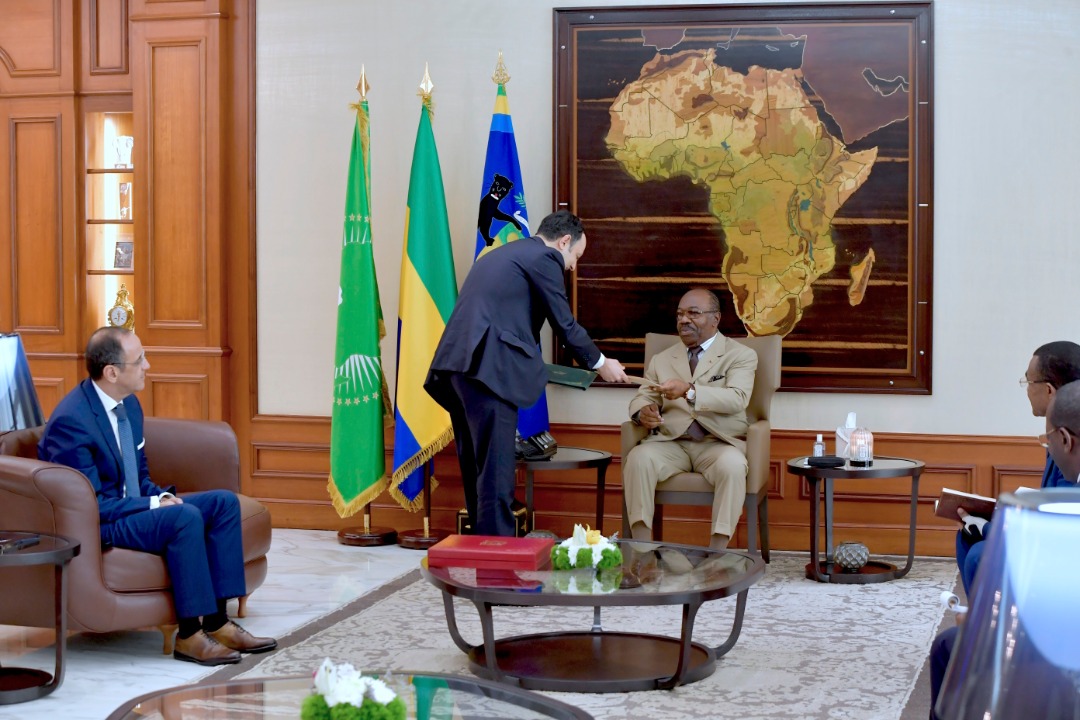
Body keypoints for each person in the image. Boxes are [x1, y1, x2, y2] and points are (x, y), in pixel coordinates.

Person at [39, 327, 276, 666]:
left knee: (223, 503)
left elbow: (139, 476)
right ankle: (189, 636)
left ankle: (218, 623)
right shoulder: (72, 422)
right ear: (112, 372)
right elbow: (90, 506)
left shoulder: (128, 405)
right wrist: (153, 504)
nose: (148, 365)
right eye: (140, 360)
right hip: (102, 523)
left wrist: (158, 496)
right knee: (183, 517)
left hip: (130, 508)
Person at [425, 210, 630, 536]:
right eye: (575, 256)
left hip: (459, 366)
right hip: (488, 370)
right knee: (497, 468)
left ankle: (484, 545)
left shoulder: (505, 254)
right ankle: (498, 554)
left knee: (478, 464)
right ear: (564, 242)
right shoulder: (544, 258)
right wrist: (601, 363)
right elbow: (564, 323)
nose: (573, 266)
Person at [622, 288, 757, 551]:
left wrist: (690, 391)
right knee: (638, 459)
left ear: (715, 319)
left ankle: (717, 553)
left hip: (718, 444)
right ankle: (642, 550)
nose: (684, 320)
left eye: (693, 313)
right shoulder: (663, 359)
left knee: (732, 467)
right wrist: (643, 412)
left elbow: (737, 399)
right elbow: (641, 397)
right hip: (673, 443)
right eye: (680, 315)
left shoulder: (739, 355)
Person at [954, 340, 1080, 595]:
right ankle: (979, 622)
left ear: (1048, 390)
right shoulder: (1061, 434)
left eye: (1028, 382)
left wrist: (991, 527)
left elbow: (1063, 522)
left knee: (980, 552)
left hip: (1062, 552)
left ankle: (993, 630)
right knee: (969, 536)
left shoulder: (1069, 441)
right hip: (1054, 537)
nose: (1025, 390)